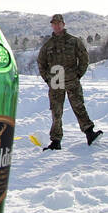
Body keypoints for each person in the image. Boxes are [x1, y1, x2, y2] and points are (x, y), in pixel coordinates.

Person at [37, 13, 102, 149]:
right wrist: (47, 78)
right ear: (52, 25)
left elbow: (84, 58)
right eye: (54, 23)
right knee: (56, 111)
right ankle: (56, 141)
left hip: (72, 78)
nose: (56, 26)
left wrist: (78, 73)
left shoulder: (74, 41)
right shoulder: (48, 45)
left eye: (58, 23)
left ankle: (90, 133)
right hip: (56, 80)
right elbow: (41, 63)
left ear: (63, 24)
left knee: (79, 106)